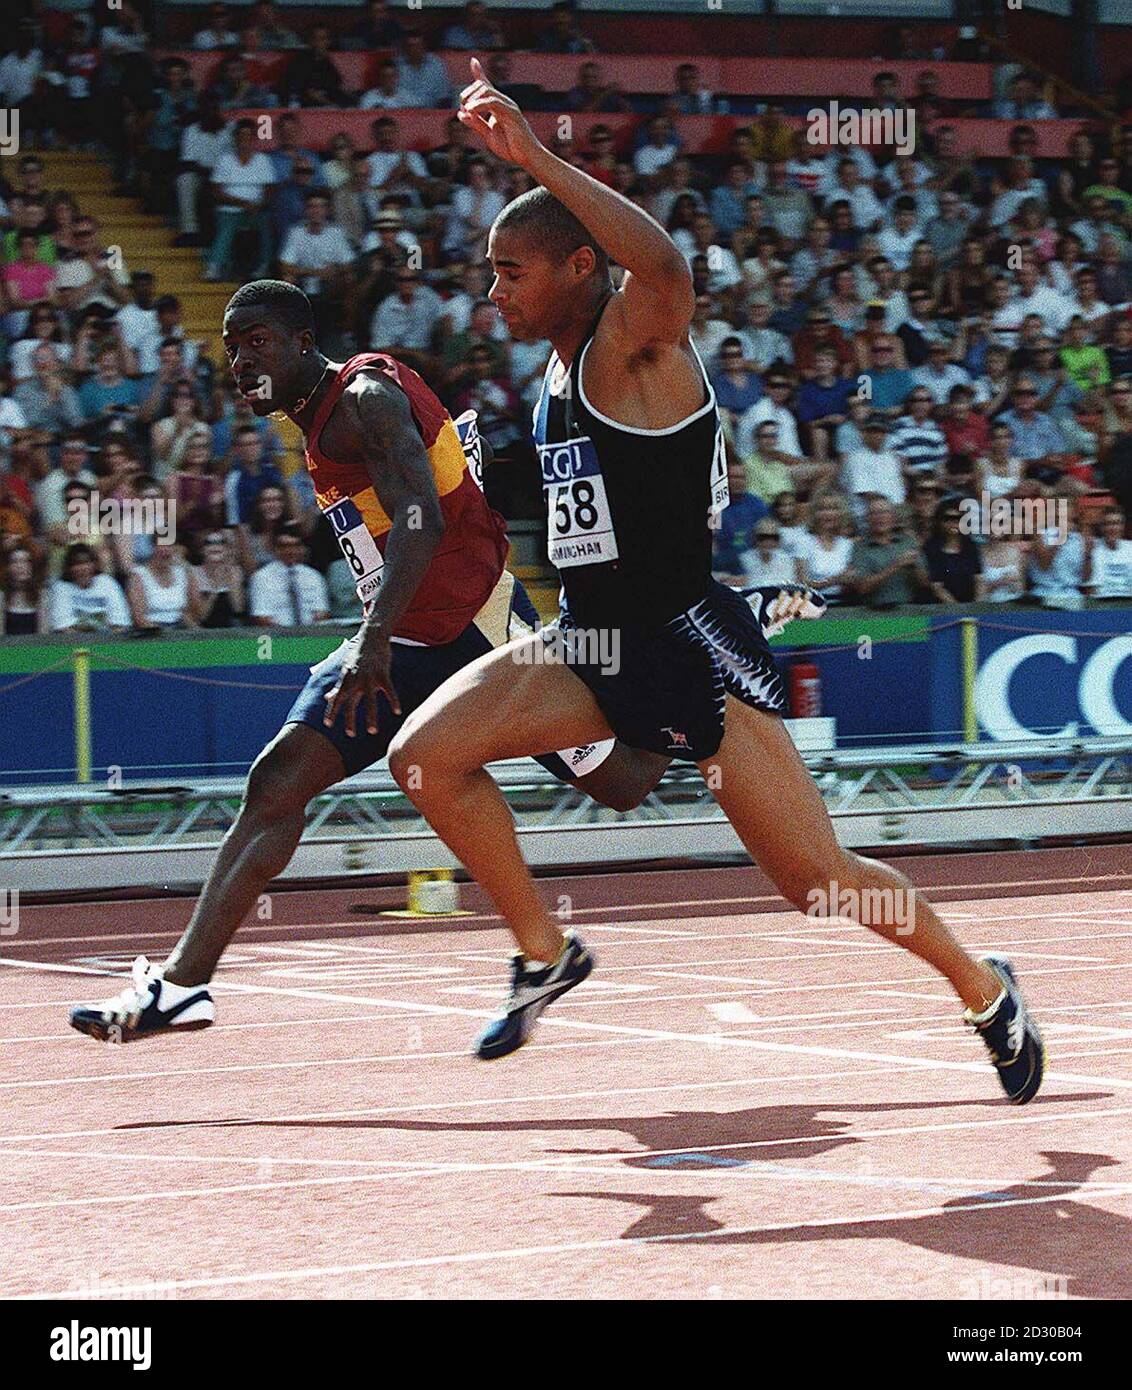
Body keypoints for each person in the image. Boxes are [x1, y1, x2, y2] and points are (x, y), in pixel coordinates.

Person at [378, 61, 1044, 1102]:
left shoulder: (634, 345)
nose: (491, 292)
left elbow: (668, 265)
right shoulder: (556, 370)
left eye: (510, 271)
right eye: (490, 272)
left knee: (819, 884)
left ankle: (983, 987)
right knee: (423, 757)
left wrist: (534, 155)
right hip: (591, 643)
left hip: (689, 649)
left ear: (580, 266)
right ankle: (545, 952)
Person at [67, 281, 704, 1043]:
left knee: (622, 784)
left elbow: (420, 518)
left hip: (475, 624)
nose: (241, 361)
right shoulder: (319, 421)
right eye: (232, 349)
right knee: (277, 782)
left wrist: (371, 639)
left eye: (257, 343)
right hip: (403, 638)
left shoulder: (364, 396)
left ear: (304, 343)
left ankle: (694, 655)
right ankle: (182, 987)